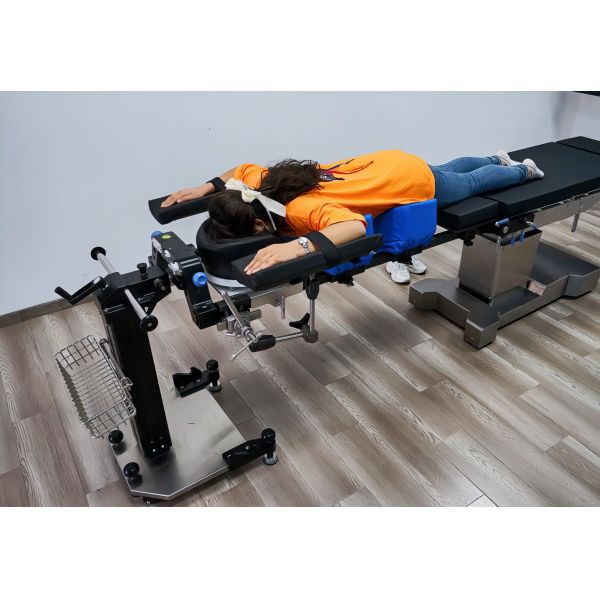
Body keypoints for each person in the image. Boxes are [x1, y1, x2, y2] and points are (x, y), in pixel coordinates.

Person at [161, 149, 544, 280]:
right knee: (447, 170)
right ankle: (496, 157)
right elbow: (240, 169)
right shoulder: (261, 186)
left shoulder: (300, 210)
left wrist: (295, 248)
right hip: (385, 162)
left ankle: (522, 171)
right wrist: (206, 187)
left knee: (468, 182)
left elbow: (354, 225)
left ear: (260, 223)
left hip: (409, 179)